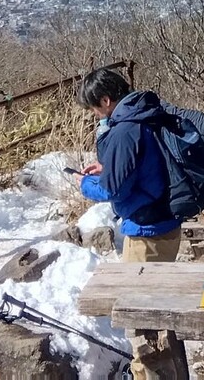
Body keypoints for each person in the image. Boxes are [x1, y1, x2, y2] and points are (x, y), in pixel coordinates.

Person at [70, 67, 190, 380]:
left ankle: (147, 373)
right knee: (155, 308)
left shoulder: (125, 130)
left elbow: (114, 190)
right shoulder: (147, 114)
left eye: (94, 108)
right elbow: (144, 165)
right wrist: (109, 167)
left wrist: (86, 184)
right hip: (167, 221)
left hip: (147, 232)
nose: (95, 115)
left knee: (141, 319)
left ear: (105, 100)